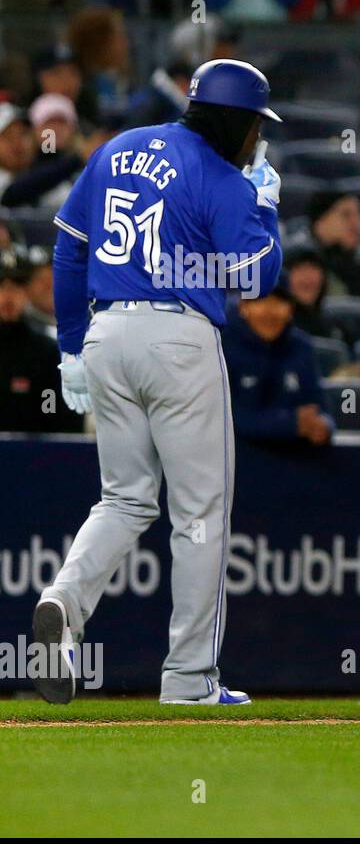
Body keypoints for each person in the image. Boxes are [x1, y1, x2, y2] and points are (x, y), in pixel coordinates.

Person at [36, 59, 284, 706]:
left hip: (107, 335)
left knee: (123, 500)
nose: (258, 137)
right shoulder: (221, 174)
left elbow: (67, 246)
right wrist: (265, 205)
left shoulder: (118, 147)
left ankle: (63, 600)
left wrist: (68, 349)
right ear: (237, 119)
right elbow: (256, 280)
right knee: (198, 514)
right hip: (179, 338)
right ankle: (189, 680)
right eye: (256, 125)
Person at [223, 284, 334, 447]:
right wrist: (290, 423)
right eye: (260, 301)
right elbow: (224, 419)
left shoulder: (302, 347)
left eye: (279, 302)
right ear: (243, 306)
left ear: (291, 309)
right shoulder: (222, 346)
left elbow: (320, 407)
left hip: (298, 463)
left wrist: (322, 426)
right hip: (240, 462)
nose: (270, 311)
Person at [0, 247, 81, 433]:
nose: (8, 295)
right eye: (1, 286)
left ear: (27, 291)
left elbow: (53, 412)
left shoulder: (45, 352)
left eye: (17, 285)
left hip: (31, 456)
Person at [296, 190, 360, 298]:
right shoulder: (296, 261)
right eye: (346, 215)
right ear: (320, 222)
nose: (357, 222)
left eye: (358, 215)